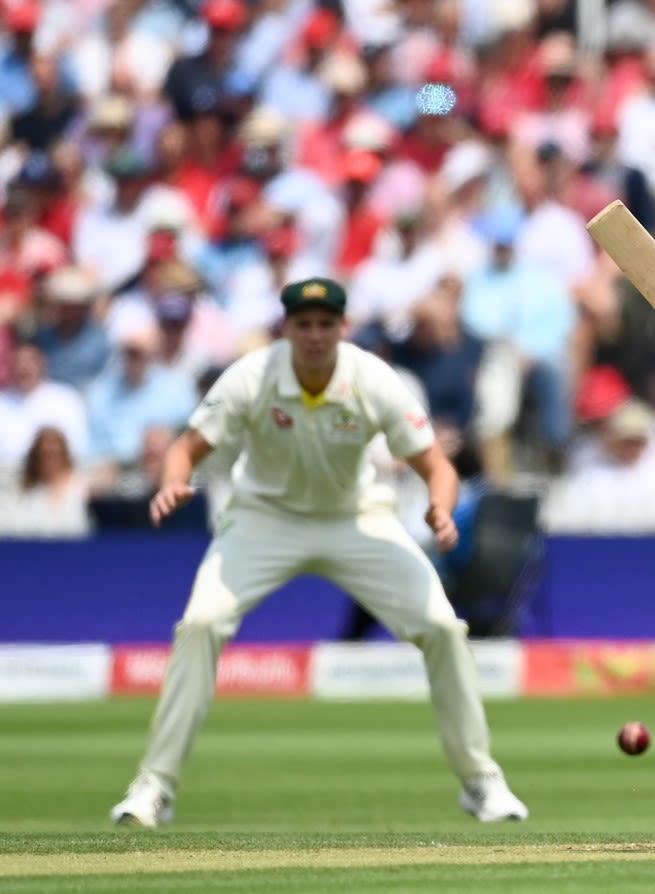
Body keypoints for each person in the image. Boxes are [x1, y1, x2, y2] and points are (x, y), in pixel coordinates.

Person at [109, 276, 528, 828]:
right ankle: (154, 786)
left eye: (325, 324)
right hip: (264, 519)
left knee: (442, 627)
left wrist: (442, 509)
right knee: (201, 624)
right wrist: (172, 482)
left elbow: (436, 465)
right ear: (285, 328)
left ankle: (481, 781)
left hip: (354, 518)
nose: (314, 335)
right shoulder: (252, 375)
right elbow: (186, 448)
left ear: (343, 327)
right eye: (303, 325)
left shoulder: (371, 378)